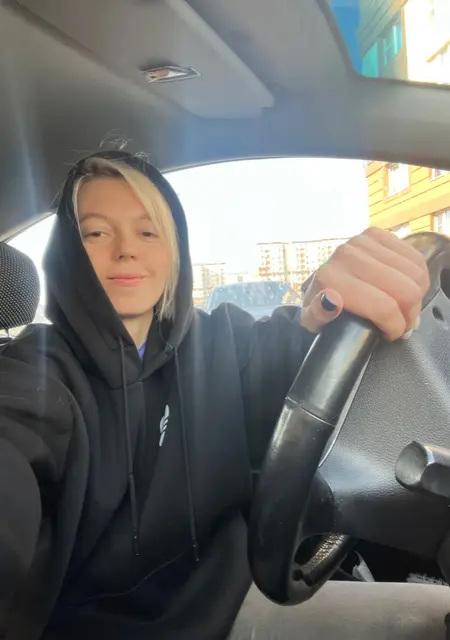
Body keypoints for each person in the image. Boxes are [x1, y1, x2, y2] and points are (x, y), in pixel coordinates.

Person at [0, 149, 445, 640]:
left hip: (241, 593)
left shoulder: (225, 340)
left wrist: (337, 306)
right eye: (97, 233)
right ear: (68, 252)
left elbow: (300, 347)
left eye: (148, 232)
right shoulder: (36, 376)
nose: (126, 250)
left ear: (174, 248)